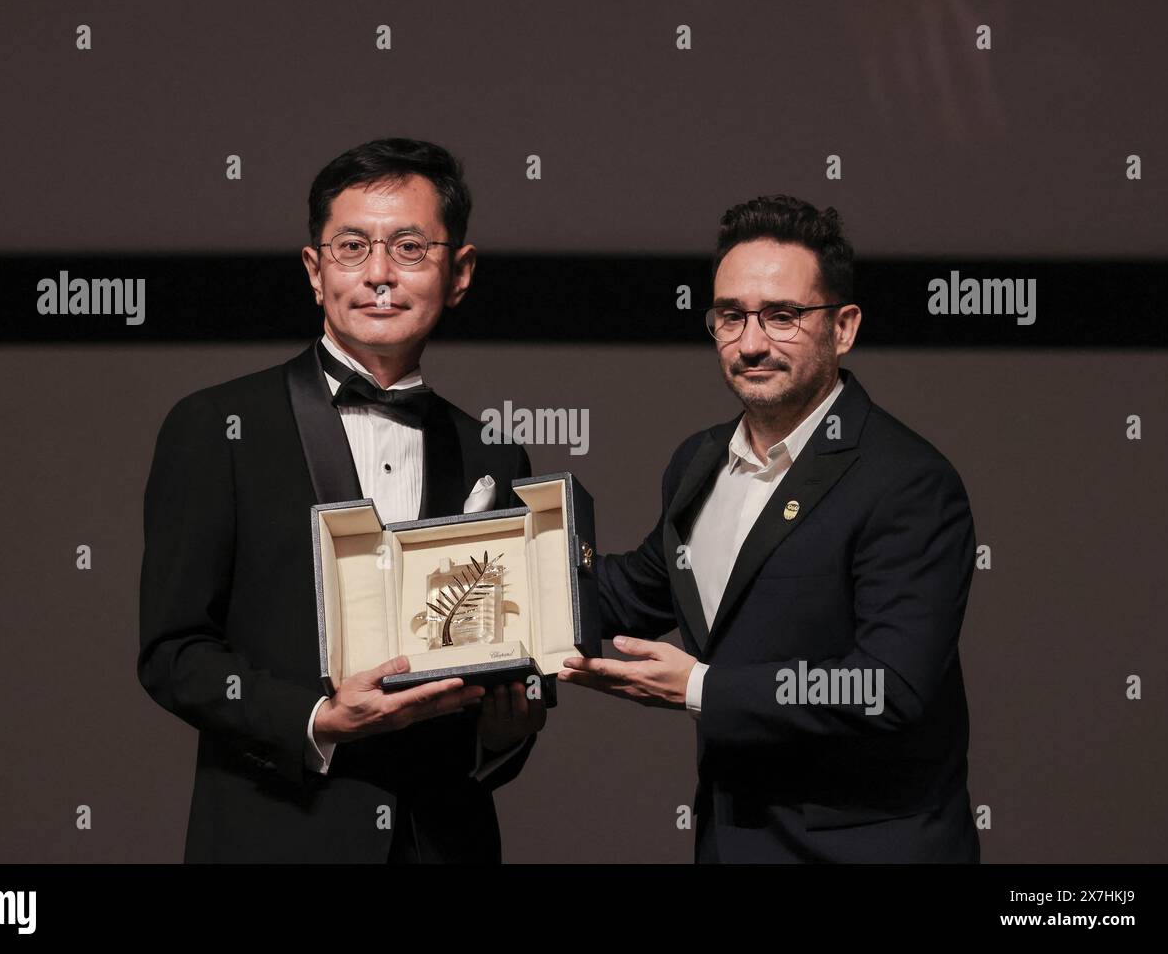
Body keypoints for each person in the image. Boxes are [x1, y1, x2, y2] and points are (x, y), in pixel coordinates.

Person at [139, 138, 545, 863]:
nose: (380, 274)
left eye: (411, 247)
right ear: (314, 269)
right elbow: (174, 652)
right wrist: (318, 717)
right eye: (353, 246)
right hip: (272, 840)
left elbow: (508, 673)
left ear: (460, 272)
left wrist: (505, 735)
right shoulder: (216, 427)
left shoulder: (494, 454)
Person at [561, 195, 980, 862]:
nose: (752, 342)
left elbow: (886, 685)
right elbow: (635, 589)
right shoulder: (697, 462)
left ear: (843, 328)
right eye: (731, 316)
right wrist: (484, 569)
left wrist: (701, 687)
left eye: (783, 316)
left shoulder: (907, 481)